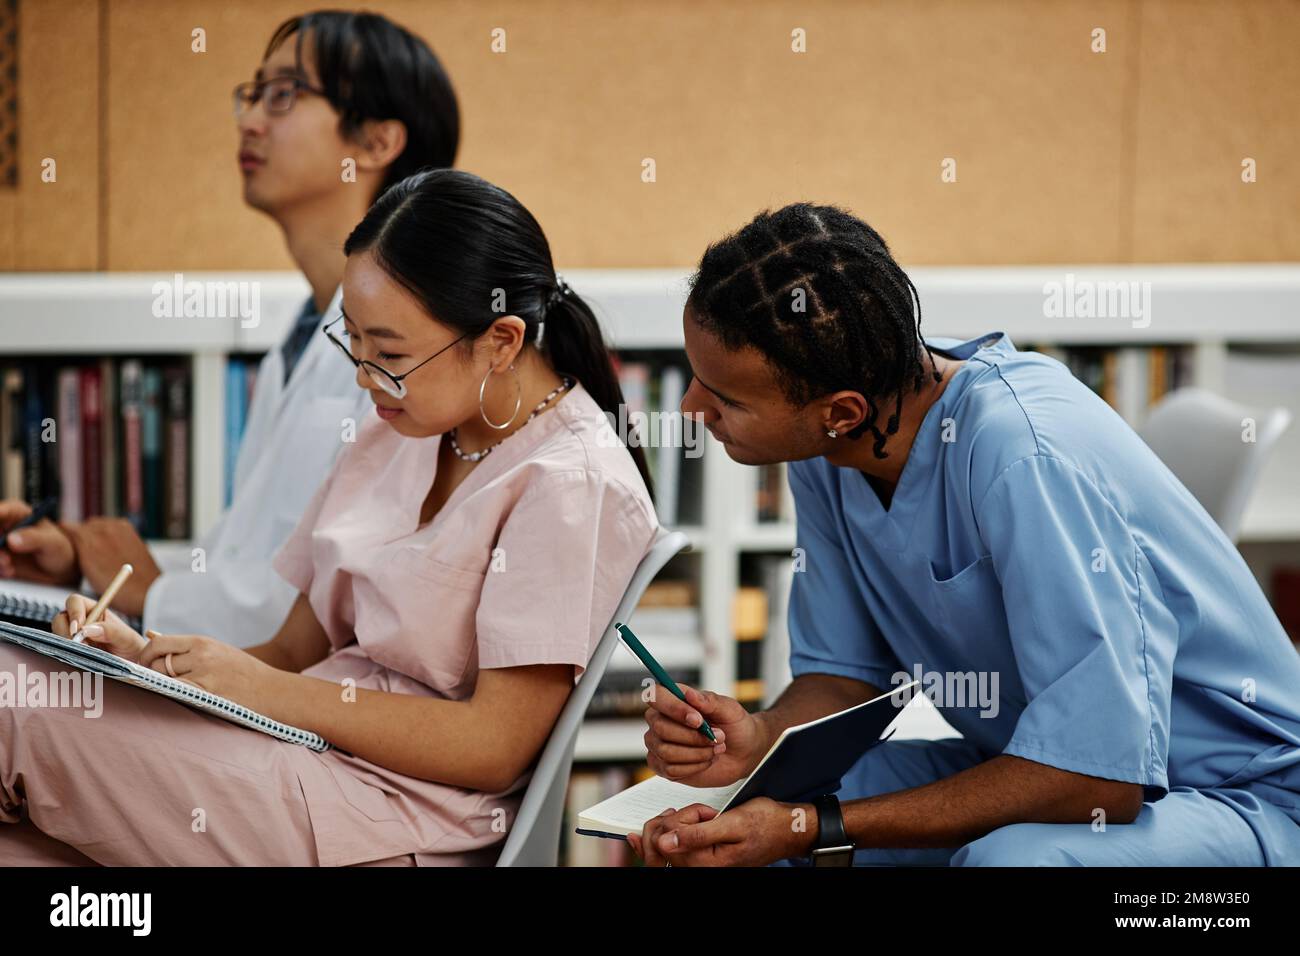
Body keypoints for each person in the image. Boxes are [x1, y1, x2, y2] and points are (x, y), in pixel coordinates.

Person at [0, 168, 659, 866]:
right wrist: (144, 664)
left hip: (400, 811)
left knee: (13, 701)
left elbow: (494, 748)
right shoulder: (402, 425)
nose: (364, 378)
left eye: (391, 354)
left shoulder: (569, 481)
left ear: (500, 340)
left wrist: (272, 693)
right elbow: (290, 653)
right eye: (355, 344)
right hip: (300, 751)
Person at [630, 201, 1300, 867]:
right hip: (1020, 756)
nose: (691, 409)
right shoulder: (833, 448)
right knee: (744, 826)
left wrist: (809, 825)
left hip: (1230, 795)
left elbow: (1097, 778)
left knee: (1012, 864)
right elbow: (845, 676)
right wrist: (764, 737)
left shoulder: (1024, 456)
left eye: (727, 398)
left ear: (840, 413)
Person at [0, 10, 461, 647]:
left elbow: (318, 607)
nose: (249, 121)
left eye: (283, 96)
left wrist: (149, 592)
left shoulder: (415, 351)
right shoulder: (298, 342)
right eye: (250, 96)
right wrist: (84, 559)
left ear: (378, 143)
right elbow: (243, 557)